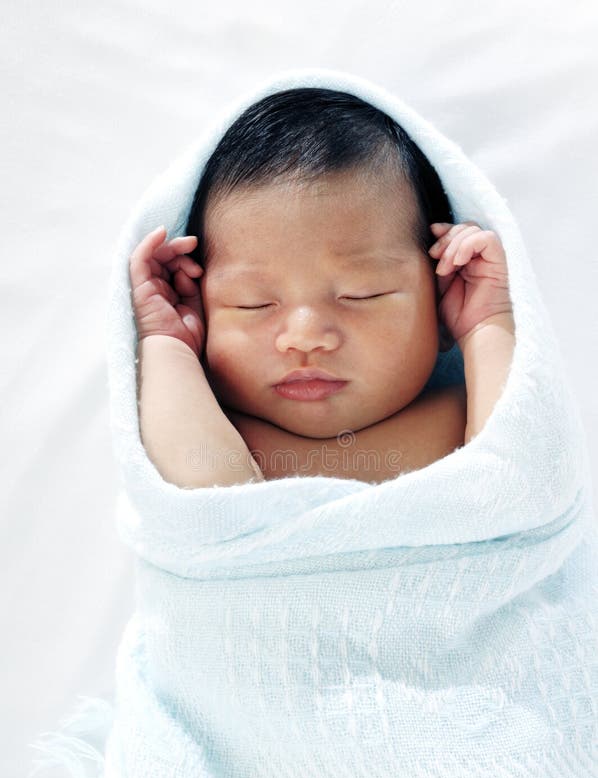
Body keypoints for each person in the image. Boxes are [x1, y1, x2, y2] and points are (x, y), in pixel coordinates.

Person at [130, 88, 515, 487]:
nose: (305, 337)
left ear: (440, 301)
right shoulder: (208, 427)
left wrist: (487, 324)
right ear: (206, 312)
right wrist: (167, 344)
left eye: (360, 294)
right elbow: (208, 512)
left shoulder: (472, 414)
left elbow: (523, 480)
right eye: (253, 303)